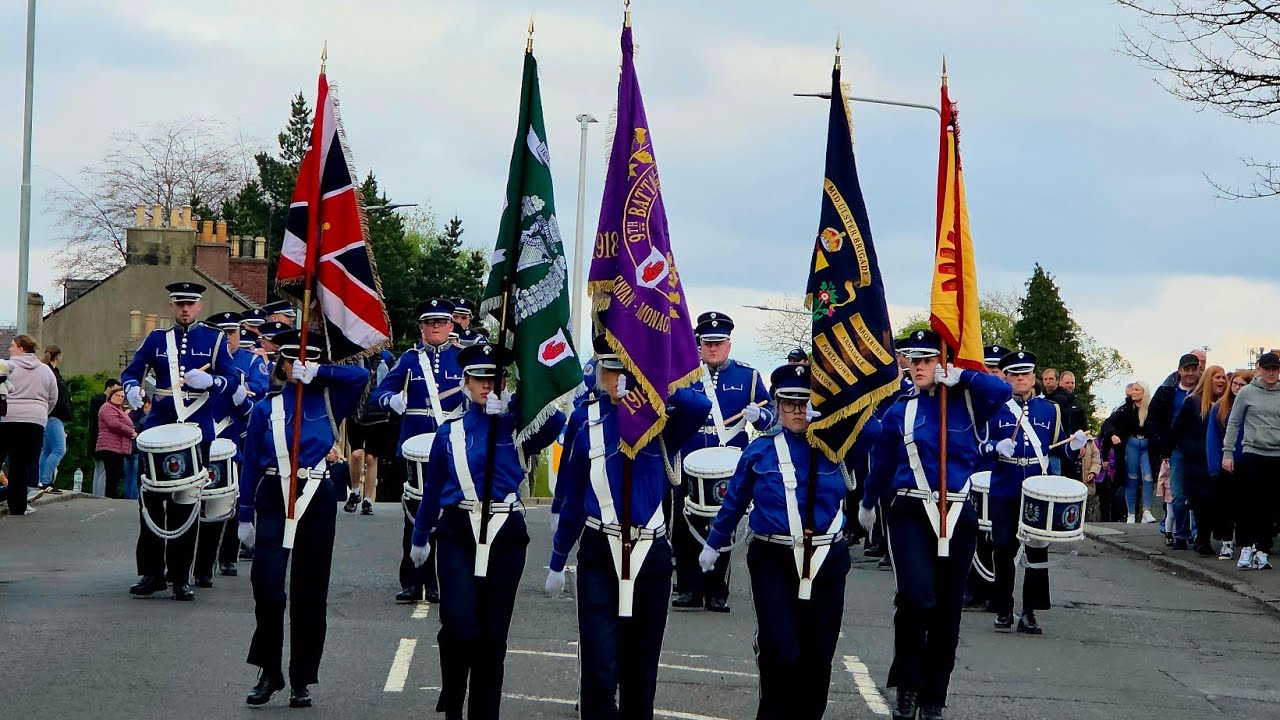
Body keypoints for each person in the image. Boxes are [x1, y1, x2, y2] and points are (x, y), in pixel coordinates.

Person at [547, 335, 711, 720]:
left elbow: (698, 405)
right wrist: (557, 558)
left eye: (626, 370)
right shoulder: (584, 419)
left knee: (641, 669)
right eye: (612, 370)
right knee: (600, 665)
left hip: (649, 552)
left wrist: (651, 377)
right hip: (599, 549)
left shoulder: (661, 419)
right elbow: (571, 493)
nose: (618, 378)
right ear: (600, 372)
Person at [701, 363, 868, 719]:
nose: (797, 411)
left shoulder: (835, 446)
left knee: (819, 653)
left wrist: (838, 416)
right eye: (789, 403)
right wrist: (714, 542)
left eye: (804, 403)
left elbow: (875, 431)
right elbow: (735, 500)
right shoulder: (760, 450)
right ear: (776, 405)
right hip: (773, 556)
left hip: (825, 556)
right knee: (780, 648)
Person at [407, 344, 564, 720]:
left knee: (493, 637)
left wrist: (514, 407)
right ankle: (453, 693)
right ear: (465, 383)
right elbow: (434, 489)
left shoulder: (516, 426)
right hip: (459, 529)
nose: (486, 386)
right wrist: (420, 535)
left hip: (505, 531)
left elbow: (556, 422)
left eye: (493, 379)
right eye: (479, 379)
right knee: (460, 623)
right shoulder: (451, 432)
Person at [860, 329, 1010, 720]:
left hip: (957, 512)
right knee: (915, 597)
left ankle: (934, 695)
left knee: (947, 609)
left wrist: (964, 376)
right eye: (914, 360)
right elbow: (882, 459)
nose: (919, 367)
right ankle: (908, 685)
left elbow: (1003, 393)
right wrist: (867, 503)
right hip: (911, 511)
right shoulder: (900, 410)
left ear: (942, 362)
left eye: (927, 360)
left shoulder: (968, 402)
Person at [239, 329, 368, 708]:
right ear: (280, 363)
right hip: (274, 494)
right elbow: (249, 465)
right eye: (290, 360)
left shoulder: (328, 401)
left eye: (303, 360)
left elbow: (360, 378)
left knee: (310, 591)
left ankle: (301, 677)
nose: (296, 367)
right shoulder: (266, 408)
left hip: (317, 496)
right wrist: (245, 514)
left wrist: (320, 372)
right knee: (267, 586)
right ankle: (269, 670)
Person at [122, 281, 240, 601]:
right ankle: (151, 573)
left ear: (199, 306)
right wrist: (132, 387)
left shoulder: (214, 340)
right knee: (150, 501)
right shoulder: (157, 340)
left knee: (185, 504)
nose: (185, 309)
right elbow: (132, 371)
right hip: (160, 428)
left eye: (190, 303)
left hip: (197, 432)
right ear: (172, 307)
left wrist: (212, 380)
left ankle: (179, 577)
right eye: (179, 304)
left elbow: (231, 381)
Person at [673, 311, 773, 613]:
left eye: (719, 342)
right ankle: (689, 588)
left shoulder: (748, 376)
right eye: (707, 343)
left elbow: (770, 420)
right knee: (685, 522)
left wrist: (761, 416)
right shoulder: (684, 374)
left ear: (729, 344)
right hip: (689, 456)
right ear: (698, 344)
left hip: (728, 460)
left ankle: (717, 590)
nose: (713, 348)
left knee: (723, 522)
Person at [986, 351, 1087, 636]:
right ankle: (1004, 608)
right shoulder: (994, 408)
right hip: (1005, 485)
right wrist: (995, 447)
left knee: (1036, 550)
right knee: (1003, 548)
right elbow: (982, 445)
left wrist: (1075, 446)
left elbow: (1058, 449)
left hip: (1037, 489)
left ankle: (1029, 612)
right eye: (1014, 375)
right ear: (1006, 378)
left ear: (1033, 377)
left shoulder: (1049, 410)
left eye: (1025, 374)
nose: (1021, 379)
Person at [372, 298, 465, 604]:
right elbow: (380, 392)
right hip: (414, 445)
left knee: (447, 514)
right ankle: (412, 580)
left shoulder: (463, 358)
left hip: (449, 445)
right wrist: (392, 401)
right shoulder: (410, 360)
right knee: (413, 514)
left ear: (451, 326)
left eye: (441, 323)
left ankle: (439, 581)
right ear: (421, 327)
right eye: (429, 323)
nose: (435, 328)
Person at [193, 311, 264, 587]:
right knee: (200, 499)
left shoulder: (252, 361)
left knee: (231, 497)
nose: (228, 339)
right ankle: (198, 563)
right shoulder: (203, 361)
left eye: (232, 333)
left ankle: (228, 555)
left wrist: (240, 395)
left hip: (236, 435)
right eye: (222, 334)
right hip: (204, 432)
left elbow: (257, 399)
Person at [962, 343, 1010, 611]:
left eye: (996, 369)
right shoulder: (971, 401)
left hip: (1001, 478)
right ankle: (973, 587)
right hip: (974, 472)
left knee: (997, 536)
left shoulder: (1010, 405)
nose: (992, 373)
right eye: (987, 368)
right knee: (973, 532)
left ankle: (996, 590)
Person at [1222, 352, 1280, 571]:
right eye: (1268, 369)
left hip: (1277, 455)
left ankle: (1263, 549)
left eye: (1275, 369)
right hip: (1253, 452)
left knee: (1270, 505)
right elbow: (1234, 423)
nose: (1272, 373)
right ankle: (1246, 546)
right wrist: (1228, 453)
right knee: (1249, 502)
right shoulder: (1247, 393)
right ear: (1260, 369)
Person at [1171, 365, 1227, 556]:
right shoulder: (1193, 403)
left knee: (1214, 501)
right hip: (1195, 460)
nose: (1221, 381)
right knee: (1200, 502)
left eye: (1223, 378)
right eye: (1217, 377)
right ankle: (1201, 540)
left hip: (1216, 459)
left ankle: (1207, 536)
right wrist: (1189, 448)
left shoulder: (1225, 405)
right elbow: (1177, 429)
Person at [0, 335, 59, 516]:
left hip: (8, 418)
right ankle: (18, 506)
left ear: (21, 349)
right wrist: (41, 413)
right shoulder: (45, 370)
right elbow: (53, 397)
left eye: (12, 346)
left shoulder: (8, 366)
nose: (9, 349)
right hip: (35, 421)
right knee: (20, 464)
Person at [1150, 353, 1204, 550]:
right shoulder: (1167, 392)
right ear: (1179, 370)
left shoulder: (1203, 392)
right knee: (1178, 495)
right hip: (1177, 449)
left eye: (1193, 369)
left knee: (1199, 494)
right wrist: (1162, 444)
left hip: (1199, 449)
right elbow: (1154, 419)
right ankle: (1181, 533)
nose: (1190, 373)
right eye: (1186, 369)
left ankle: (1198, 535)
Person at [1207, 369, 1252, 559]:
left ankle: (1244, 545)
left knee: (1245, 506)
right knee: (1226, 506)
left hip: (1248, 462)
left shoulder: (1252, 407)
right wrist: (1215, 466)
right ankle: (1226, 543)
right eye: (1235, 384)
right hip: (1226, 463)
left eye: (1242, 385)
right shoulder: (1220, 408)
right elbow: (1213, 439)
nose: (1237, 388)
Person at [344, 355, 395, 515]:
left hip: (378, 415)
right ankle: (355, 491)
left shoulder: (387, 357)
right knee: (356, 454)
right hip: (356, 413)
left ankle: (367, 500)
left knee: (371, 457)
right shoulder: (354, 354)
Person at [1102, 381, 1157, 523]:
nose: (1133, 392)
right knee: (1131, 478)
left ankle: (1146, 510)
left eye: (1137, 389)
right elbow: (1108, 423)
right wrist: (1113, 434)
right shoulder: (1124, 409)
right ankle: (1131, 513)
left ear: (1144, 392)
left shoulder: (1152, 408)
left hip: (1146, 446)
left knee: (1148, 477)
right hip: (1131, 445)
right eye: (1132, 390)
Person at [38, 345, 71, 492]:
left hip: (50, 415)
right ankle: (46, 481)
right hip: (54, 415)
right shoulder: (51, 373)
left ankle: (41, 479)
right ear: (59, 357)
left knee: (47, 450)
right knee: (59, 449)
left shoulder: (49, 371)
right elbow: (54, 396)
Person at [96, 384, 137, 499]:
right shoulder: (107, 407)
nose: (120, 398)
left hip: (118, 446)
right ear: (111, 396)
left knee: (116, 473)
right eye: (117, 395)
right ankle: (110, 496)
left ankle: (112, 495)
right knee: (112, 472)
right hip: (109, 446)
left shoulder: (119, 409)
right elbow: (113, 424)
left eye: (122, 396)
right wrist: (131, 431)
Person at [87, 378, 121, 498]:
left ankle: (96, 494)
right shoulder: (102, 402)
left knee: (99, 469)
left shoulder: (97, 401)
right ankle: (100, 495)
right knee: (102, 470)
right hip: (100, 440)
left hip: (95, 440)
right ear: (108, 388)